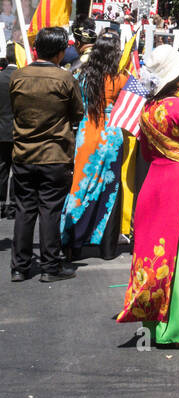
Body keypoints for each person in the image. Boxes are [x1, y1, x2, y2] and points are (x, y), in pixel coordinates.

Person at [117, 44, 179, 346]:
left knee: (154, 250)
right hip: (178, 182)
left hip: (153, 181)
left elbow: (145, 152)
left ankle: (154, 324)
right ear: (177, 77)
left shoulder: (147, 109)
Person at [9, 26, 83, 282]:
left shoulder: (18, 76)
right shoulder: (65, 79)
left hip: (23, 153)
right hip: (54, 154)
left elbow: (15, 109)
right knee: (50, 210)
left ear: (36, 49)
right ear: (60, 53)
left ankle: (19, 267)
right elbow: (77, 113)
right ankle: (50, 267)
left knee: (24, 209)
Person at [60, 35, 128, 261]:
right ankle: (107, 247)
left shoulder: (81, 76)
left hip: (87, 131)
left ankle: (72, 241)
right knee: (110, 188)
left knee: (81, 184)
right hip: (112, 135)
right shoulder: (121, 78)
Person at [0, 53, 14, 218]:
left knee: (2, 168)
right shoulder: (21, 78)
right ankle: (13, 206)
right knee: (17, 170)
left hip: (1, 130)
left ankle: (1, 203)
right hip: (18, 130)